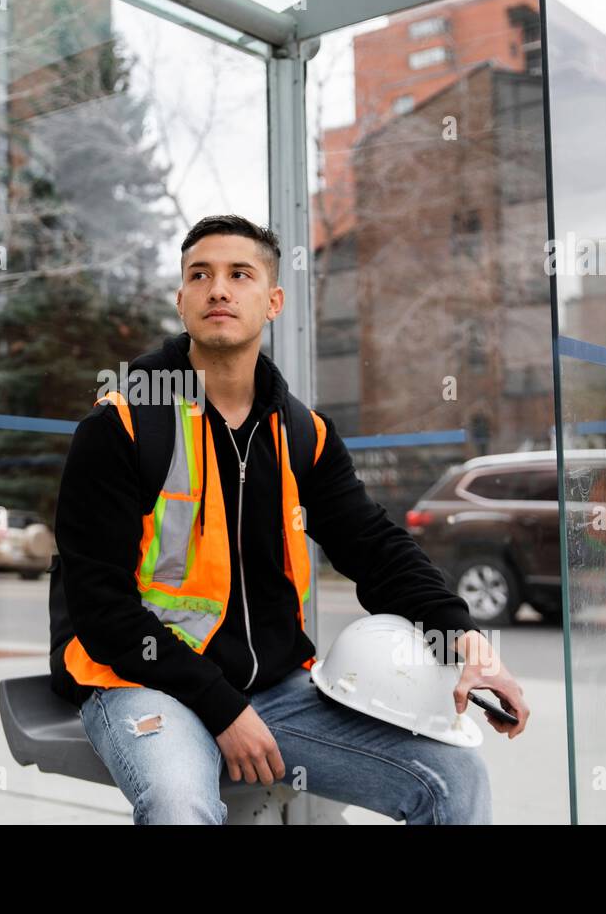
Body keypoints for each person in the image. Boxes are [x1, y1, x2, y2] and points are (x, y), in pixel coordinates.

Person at [50, 214, 529, 824]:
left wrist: (462, 638)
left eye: (239, 274)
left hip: (274, 690)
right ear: (181, 300)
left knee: (453, 778)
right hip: (141, 683)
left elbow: (374, 548)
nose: (218, 288)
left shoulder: (303, 434)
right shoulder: (121, 426)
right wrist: (221, 709)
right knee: (180, 805)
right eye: (201, 274)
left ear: (272, 301)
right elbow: (100, 608)